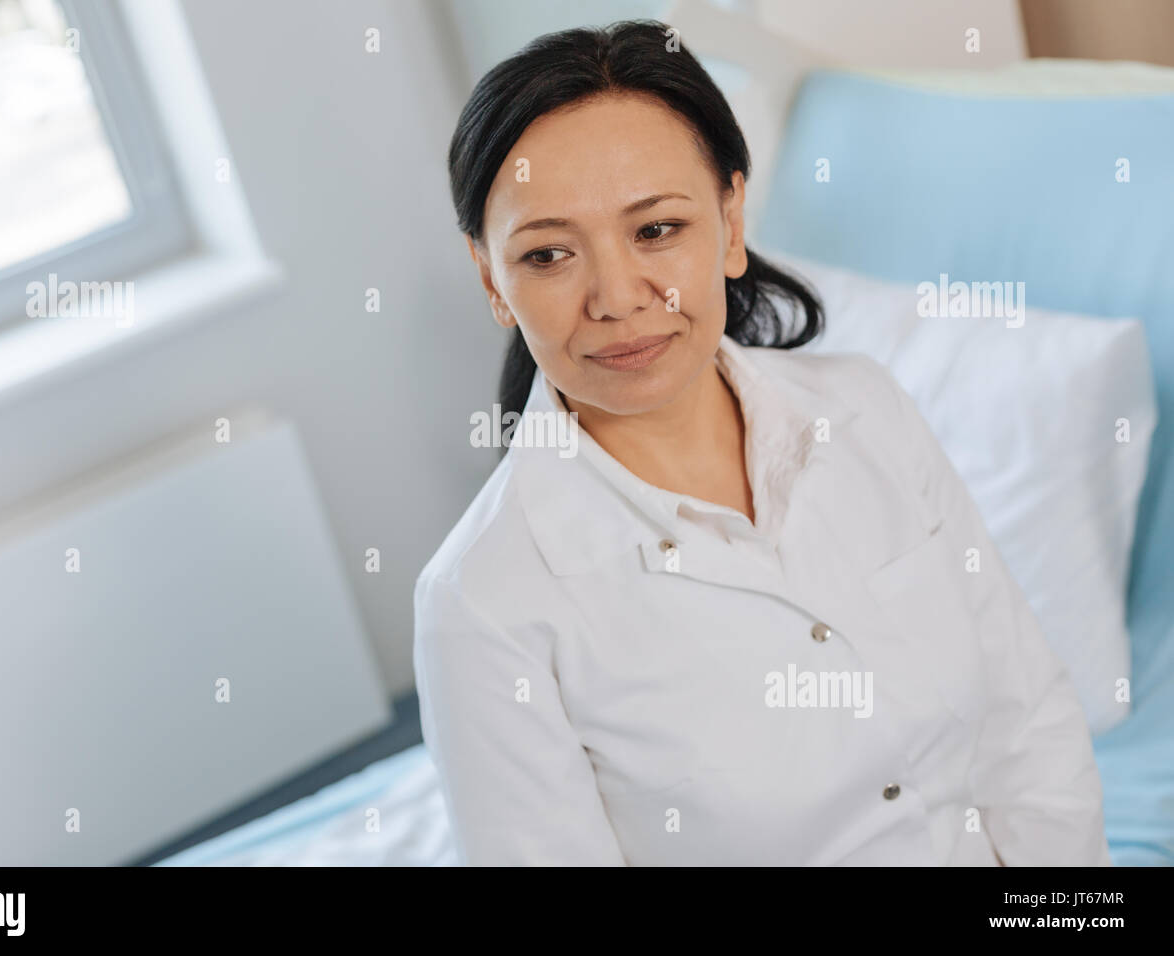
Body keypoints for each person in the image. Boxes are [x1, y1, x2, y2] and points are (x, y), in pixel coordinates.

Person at [413, 19, 1110, 866]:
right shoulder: (482, 604)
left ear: (731, 220)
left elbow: (1024, 723)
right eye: (549, 253)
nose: (617, 297)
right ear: (493, 279)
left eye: (657, 230)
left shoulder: (867, 409)